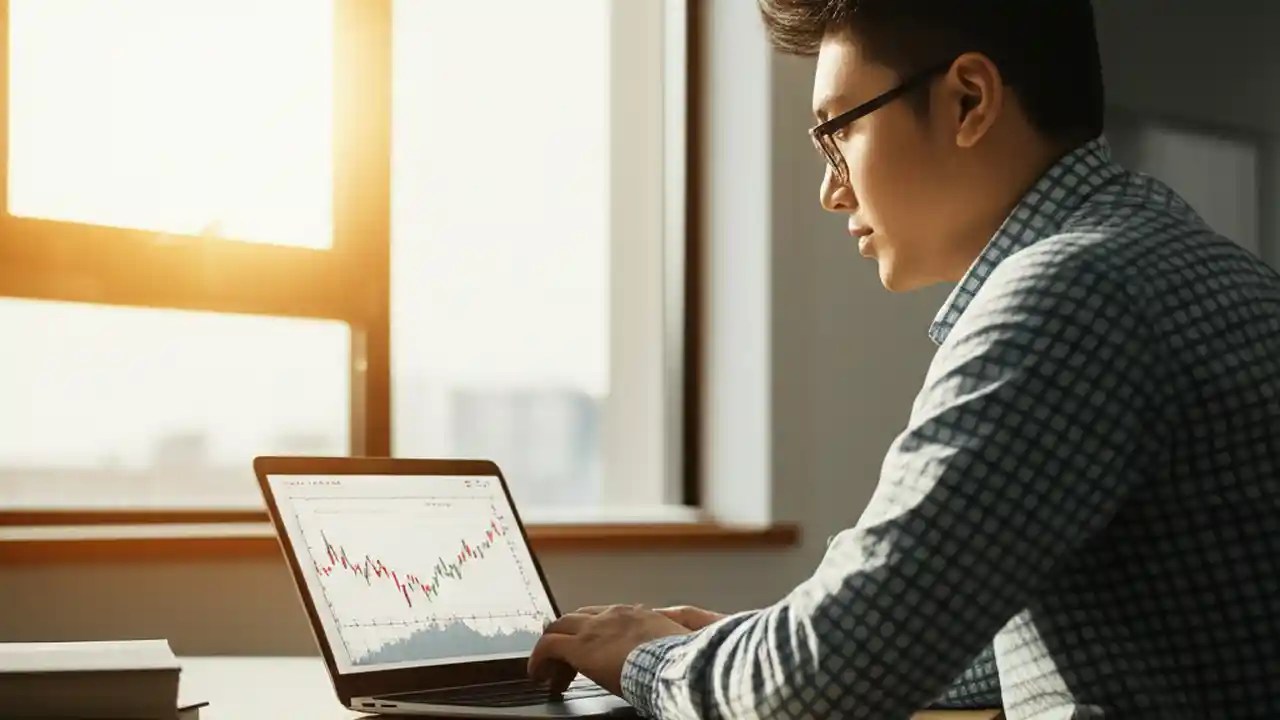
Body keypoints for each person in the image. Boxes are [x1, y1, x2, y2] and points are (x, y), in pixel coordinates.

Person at [528, 0, 1280, 717]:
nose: (831, 191)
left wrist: (646, 658)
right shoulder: (1192, 263)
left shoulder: (1067, 296)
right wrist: (752, 644)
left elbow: (819, 689)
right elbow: (1033, 638)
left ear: (968, 101)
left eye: (838, 132)